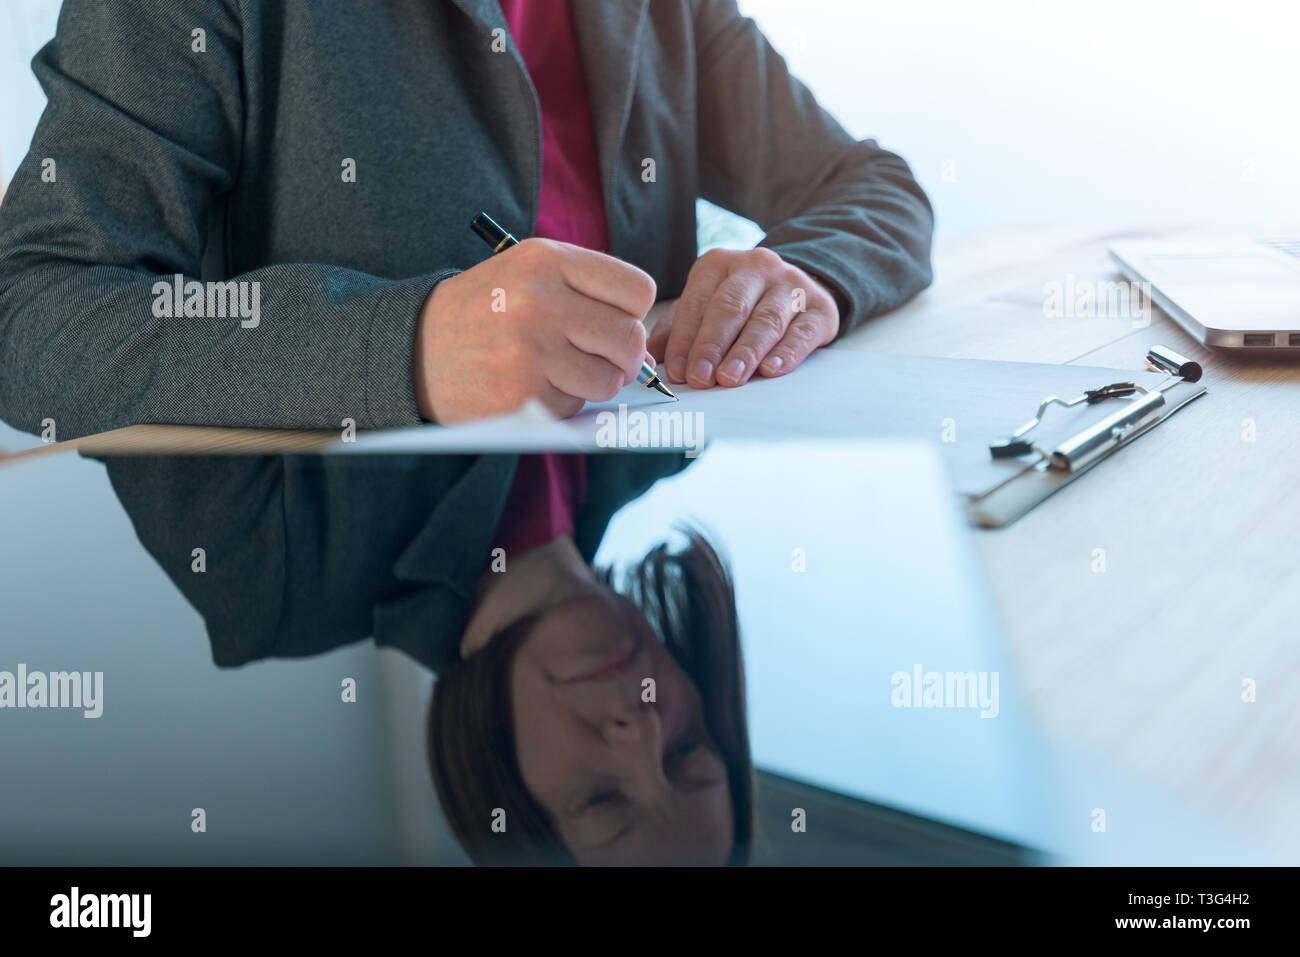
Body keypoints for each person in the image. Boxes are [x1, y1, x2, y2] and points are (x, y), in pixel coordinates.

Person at [0, 0, 933, 439]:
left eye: (689, 745)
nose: (636, 730)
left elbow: (873, 184)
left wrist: (802, 274)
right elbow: (35, 313)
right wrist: (400, 346)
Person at [101, 450, 753, 864]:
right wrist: (815, 288)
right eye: (686, 750)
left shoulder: (263, 573)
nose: (640, 732)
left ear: (506, 796)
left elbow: (88, 323)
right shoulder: (670, 428)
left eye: (603, 799)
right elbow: (829, 231)